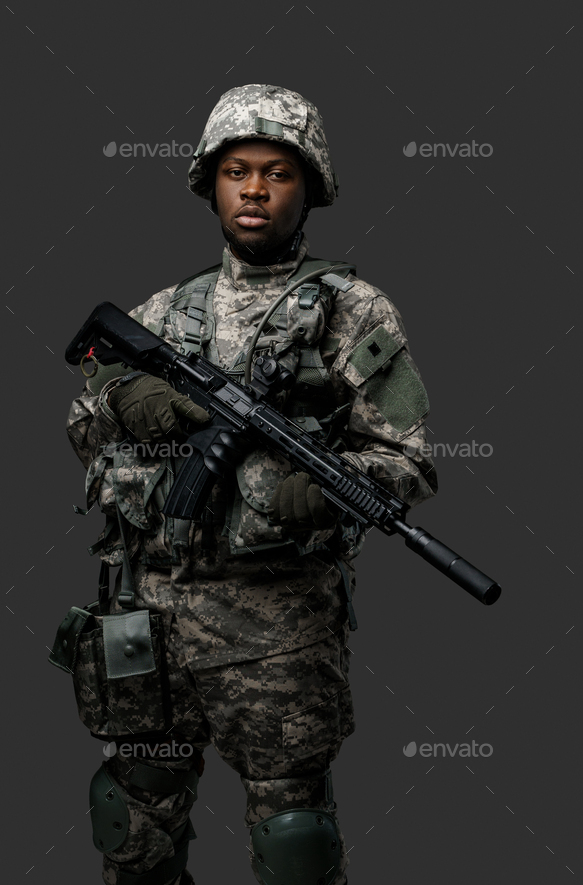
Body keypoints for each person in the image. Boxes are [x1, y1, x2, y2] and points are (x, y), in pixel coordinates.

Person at [66, 83, 438, 885]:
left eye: (278, 172)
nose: (257, 189)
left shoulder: (351, 312)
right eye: (238, 170)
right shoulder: (166, 313)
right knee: (134, 820)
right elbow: (80, 423)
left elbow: (407, 459)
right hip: (147, 623)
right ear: (212, 181)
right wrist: (123, 398)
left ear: (311, 188)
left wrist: (320, 490)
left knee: (293, 837)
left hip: (278, 634)